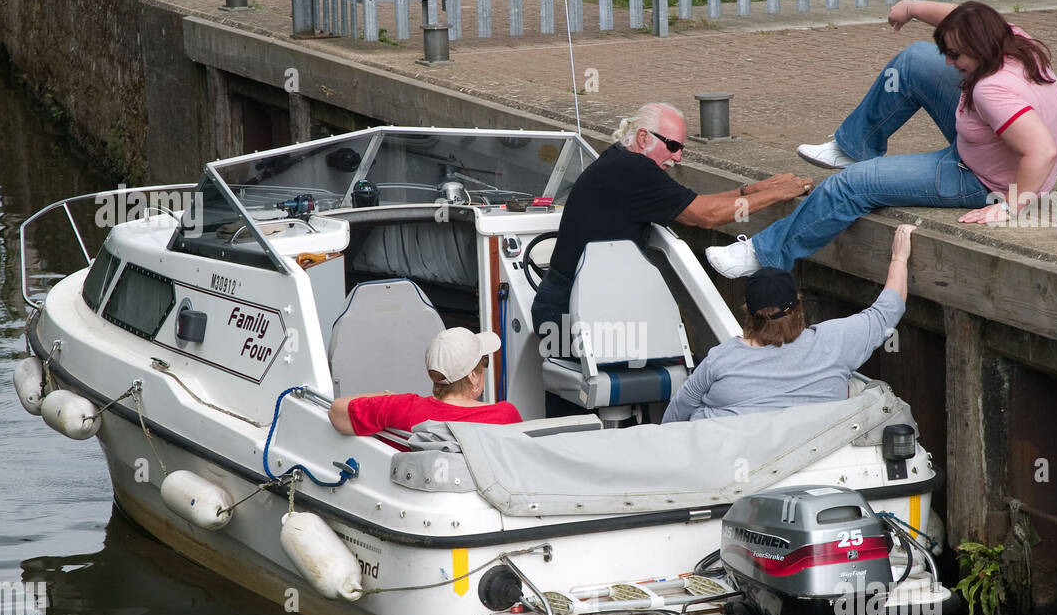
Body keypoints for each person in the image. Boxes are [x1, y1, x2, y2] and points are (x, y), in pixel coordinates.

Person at [706, 0, 1057, 278]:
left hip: (983, 178)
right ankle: (854, 146)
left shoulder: (992, 90)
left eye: (955, 56)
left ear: (979, 48)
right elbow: (958, 15)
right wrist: (909, 8)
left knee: (850, 185)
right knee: (913, 61)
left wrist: (1009, 206)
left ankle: (762, 254)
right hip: (987, 143)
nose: (950, 62)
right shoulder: (1010, 39)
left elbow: (1042, 151)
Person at [532, 101, 812, 348]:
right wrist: (777, 194)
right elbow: (705, 216)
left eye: (682, 149)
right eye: (673, 146)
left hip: (571, 300)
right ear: (643, 137)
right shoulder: (635, 171)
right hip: (570, 307)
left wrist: (753, 191)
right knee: (581, 392)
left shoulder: (620, 161)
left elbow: (695, 203)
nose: (678, 157)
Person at [663, 224, 916, 422]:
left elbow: (677, 413)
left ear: (748, 313)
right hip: (812, 458)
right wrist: (898, 258)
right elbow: (888, 310)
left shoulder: (721, 360)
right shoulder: (836, 342)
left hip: (730, 465)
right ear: (798, 307)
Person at [329, 327, 521, 436]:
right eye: (483, 363)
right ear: (472, 376)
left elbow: (337, 411)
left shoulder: (404, 408)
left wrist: (388, 399)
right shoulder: (504, 415)